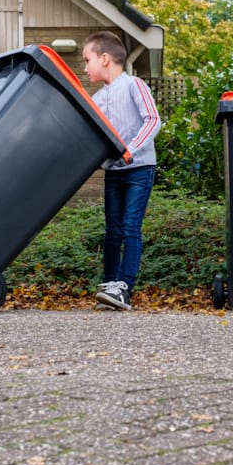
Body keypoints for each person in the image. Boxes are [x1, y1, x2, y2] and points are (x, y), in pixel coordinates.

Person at [82, 30, 162, 311]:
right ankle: (109, 284)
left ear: (104, 59)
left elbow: (152, 120)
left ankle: (124, 288)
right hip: (114, 172)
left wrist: (130, 149)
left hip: (139, 168)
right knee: (112, 230)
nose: (85, 67)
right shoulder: (98, 98)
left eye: (87, 59)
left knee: (130, 227)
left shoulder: (134, 85)